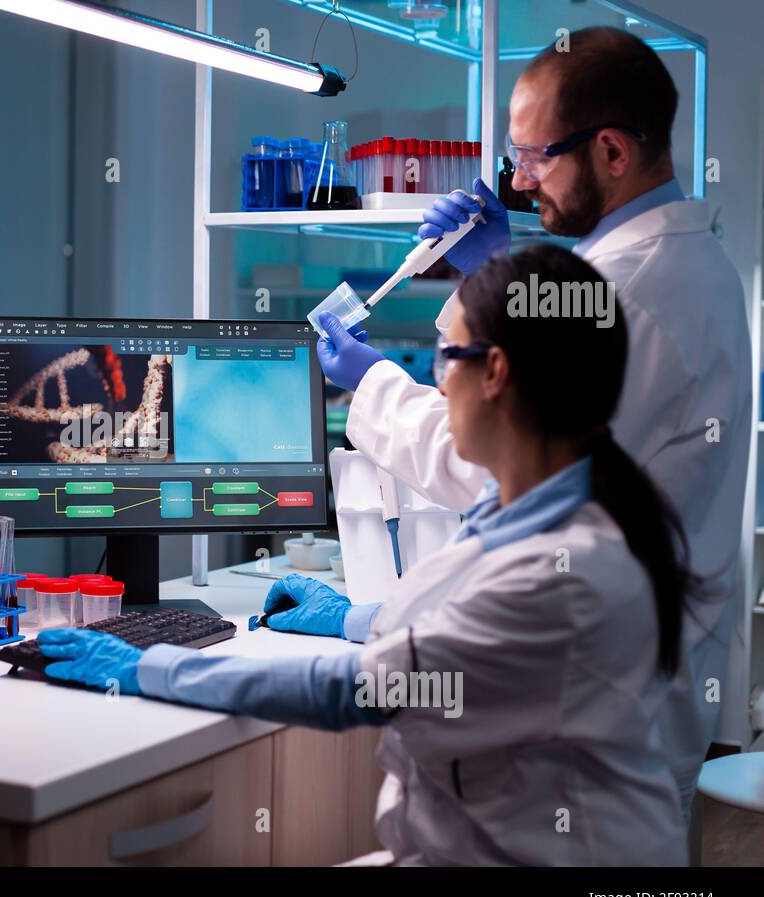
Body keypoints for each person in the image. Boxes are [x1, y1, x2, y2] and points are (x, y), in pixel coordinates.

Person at [39, 246, 691, 866]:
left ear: (494, 374)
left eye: (444, 359)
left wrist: (149, 668)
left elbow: (350, 689)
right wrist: (351, 617)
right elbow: (463, 633)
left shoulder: (567, 569)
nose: (436, 383)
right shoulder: (548, 504)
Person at [309, 27, 749, 816]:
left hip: (595, 702)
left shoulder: (629, 288)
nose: (516, 181)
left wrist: (371, 384)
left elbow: (490, 461)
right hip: (630, 678)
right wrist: (495, 277)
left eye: (535, 157)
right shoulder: (683, 257)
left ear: (612, 153)